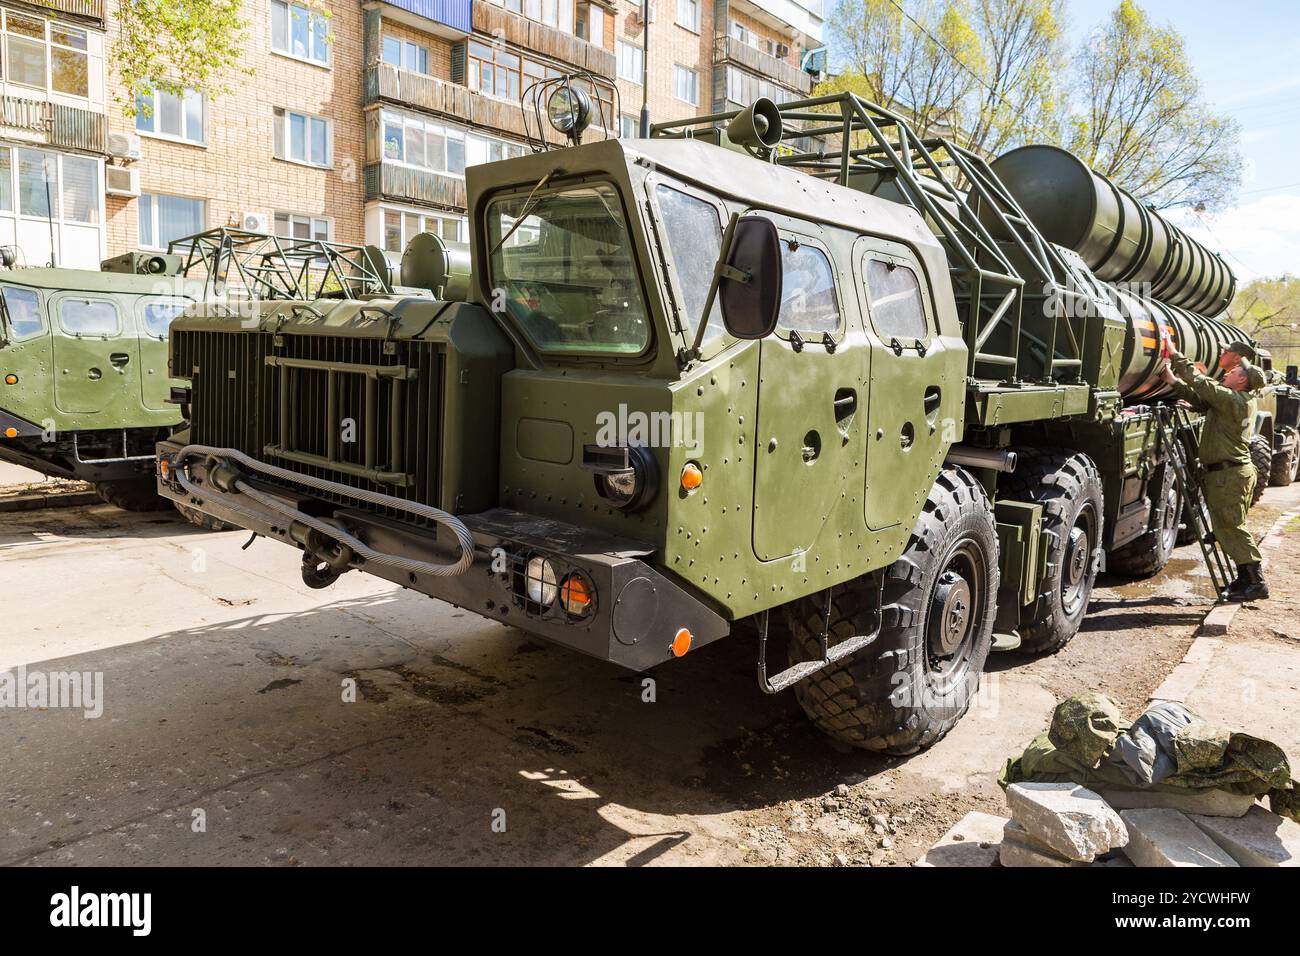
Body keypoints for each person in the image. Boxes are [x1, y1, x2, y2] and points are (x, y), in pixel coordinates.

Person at [1162, 345, 1268, 600]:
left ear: (1242, 379)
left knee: (1232, 527)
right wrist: (1173, 382)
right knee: (1227, 527)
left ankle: (1256, 582)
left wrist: (1174, 354)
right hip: (1228, 474)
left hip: (1229, 475)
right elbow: (1202, 401)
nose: (1227, 373)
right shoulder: (1237, 400)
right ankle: (1245, 580)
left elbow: (1200, 383)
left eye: (1232, 371)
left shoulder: (1234, 399)